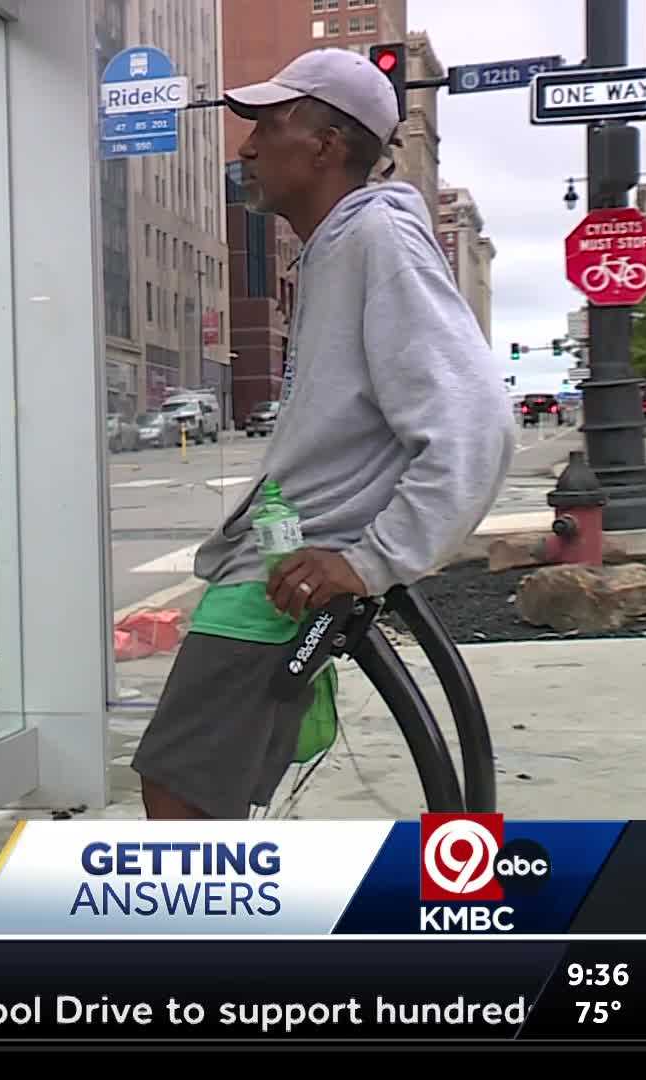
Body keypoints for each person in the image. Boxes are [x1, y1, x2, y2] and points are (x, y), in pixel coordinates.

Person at [129, 49, 514, 820]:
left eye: (269, 126)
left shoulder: (378, 242)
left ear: (328, 145)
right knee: (204, 792)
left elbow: (476, 421)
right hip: (284, 563)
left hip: (284, 582)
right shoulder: (340, 248)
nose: (246, 147)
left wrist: (371, 561)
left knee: (181, 792)